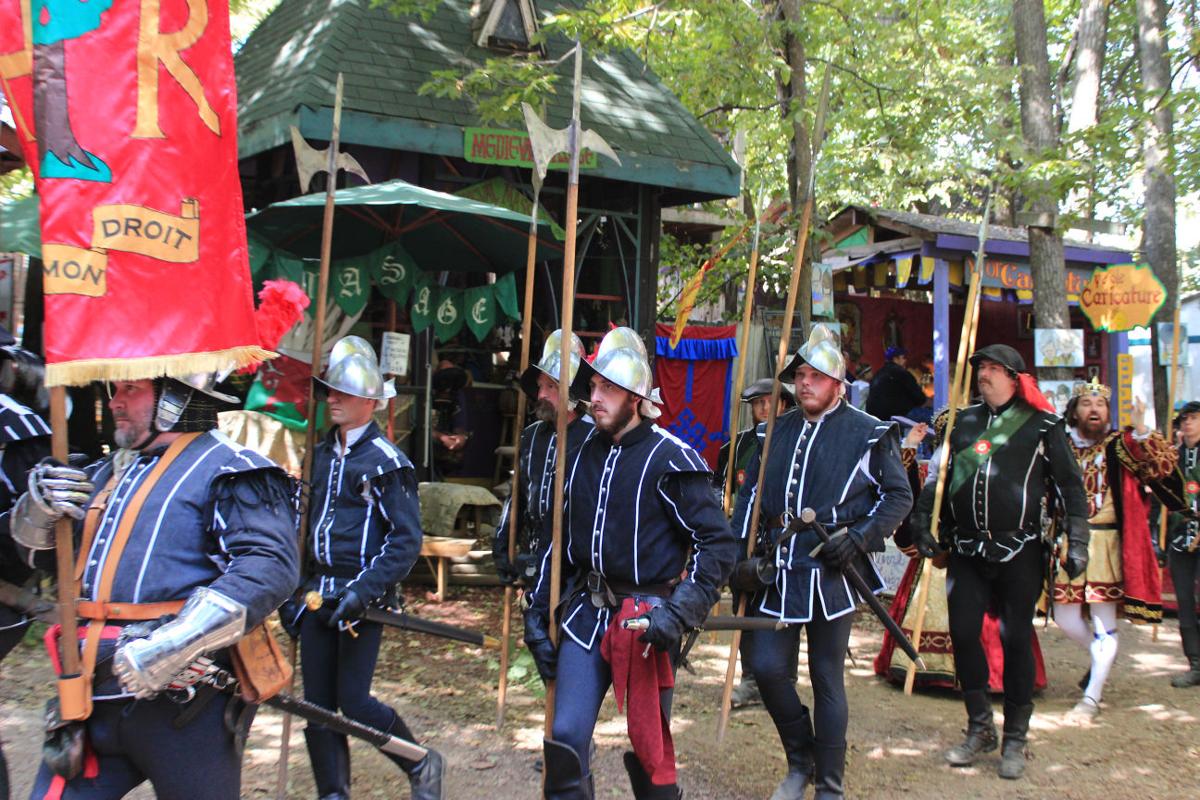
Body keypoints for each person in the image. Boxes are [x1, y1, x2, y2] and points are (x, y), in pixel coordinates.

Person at [7, 374, 299, 799]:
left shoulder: (234, 469)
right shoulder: (107, 471)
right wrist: (37, 513)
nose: (115, 402)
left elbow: (269, 566)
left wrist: (175, 644)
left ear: (175, 397)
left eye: (131, 389)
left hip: (185, 706)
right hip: (90, 696)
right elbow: (42, 560)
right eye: (115, 390)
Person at [525, 327, 736, 800]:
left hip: (647, 622)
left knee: (651, 757)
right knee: (564, 742)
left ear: (636, 397)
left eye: (608, 389)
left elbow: (717, 545)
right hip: (584, 612)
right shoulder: (578, 453)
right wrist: (536, 612)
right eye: (593, 386)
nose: (594, 398)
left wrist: (679, 612)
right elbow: (556, 542)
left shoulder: (672, 459)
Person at [731, 324, 912, 800]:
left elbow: (897, 497)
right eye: (800, 375)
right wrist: (737, 556)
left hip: (833, 571)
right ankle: (801, 759)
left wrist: (858, 537)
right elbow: (748, 501)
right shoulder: (772, 432)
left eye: (815, 375)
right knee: (767, 669)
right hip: (777, 569)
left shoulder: (869, 432)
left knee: (826, 676)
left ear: (838, 384)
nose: (805, 382)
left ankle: (829, 785)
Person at [912, 343, 1088, 781]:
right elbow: (938, 479)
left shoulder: (1042, 425)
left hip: (1020, 552)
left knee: (1015, 639)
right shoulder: (959, 423)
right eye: (980, 368)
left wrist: (1078, 541)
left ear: (1013, 376)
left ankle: (1016, 737)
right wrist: (920, 521)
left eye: (993, 369)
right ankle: (979, 728)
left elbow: (1071, 487)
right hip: (967, 550)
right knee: (964, 634)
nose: (983, 375)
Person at [295, 337, 443, 800]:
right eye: (329, 392)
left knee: (354, 703)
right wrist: (292, 591)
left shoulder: (387, 463)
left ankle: (420, 762)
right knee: (317, 707)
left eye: (341, 392)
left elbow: (404, 541)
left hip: (363, 600)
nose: (332, 399)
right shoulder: (316, 455)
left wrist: (362, 592)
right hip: (315, 594)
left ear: (368, 400)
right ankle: (333, 793)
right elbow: (302, 530)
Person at [873, 414, 1049, 694]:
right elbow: (910, 495)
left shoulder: (985, 460)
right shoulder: (935, 465)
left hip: (974, 549)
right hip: (939, 549)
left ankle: (994, 672)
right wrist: (909, 445)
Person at [1052, 379, 1181, 717]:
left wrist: (1141, 429)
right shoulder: (1062, 443)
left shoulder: (1120, 445)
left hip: (1107, 543)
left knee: (1102, 620)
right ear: (1074, 410)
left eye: (1100, 405)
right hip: (1069, 542)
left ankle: (1091, 698)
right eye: (1086, 404)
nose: (1094, 409)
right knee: (1064, 617)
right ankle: (1101, 660)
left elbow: (1160, 466)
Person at [493, 330, 594, 589]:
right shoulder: (532, 435)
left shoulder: (594, 437)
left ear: (570, 391)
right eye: (540, 386)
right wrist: (503, 545)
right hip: (534, 555)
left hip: (575, 562)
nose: (541, 395)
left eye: (551, 386)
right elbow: (518, 495)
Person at [1167, 400, 1200, 688]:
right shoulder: (1173, 457)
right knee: (1185, 602)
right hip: (1180, 535)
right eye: (1183, 419)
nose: (1186, 423)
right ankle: (1195, 663)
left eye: (1192, 418)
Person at [714, 377, 795, 493]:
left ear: (783, 404)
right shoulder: (735, 446)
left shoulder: (794, 442)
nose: (765, 407)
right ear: (752, 406)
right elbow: (719, 487)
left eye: (772, 401)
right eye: (759, 402)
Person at [866, 345, 927, 423]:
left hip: (876, 416)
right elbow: (919, 398)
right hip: (897, 415)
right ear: (895, 359)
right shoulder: (901, 373)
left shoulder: (879, 373)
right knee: (934, 418)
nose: (905, 360)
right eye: (903, 357)